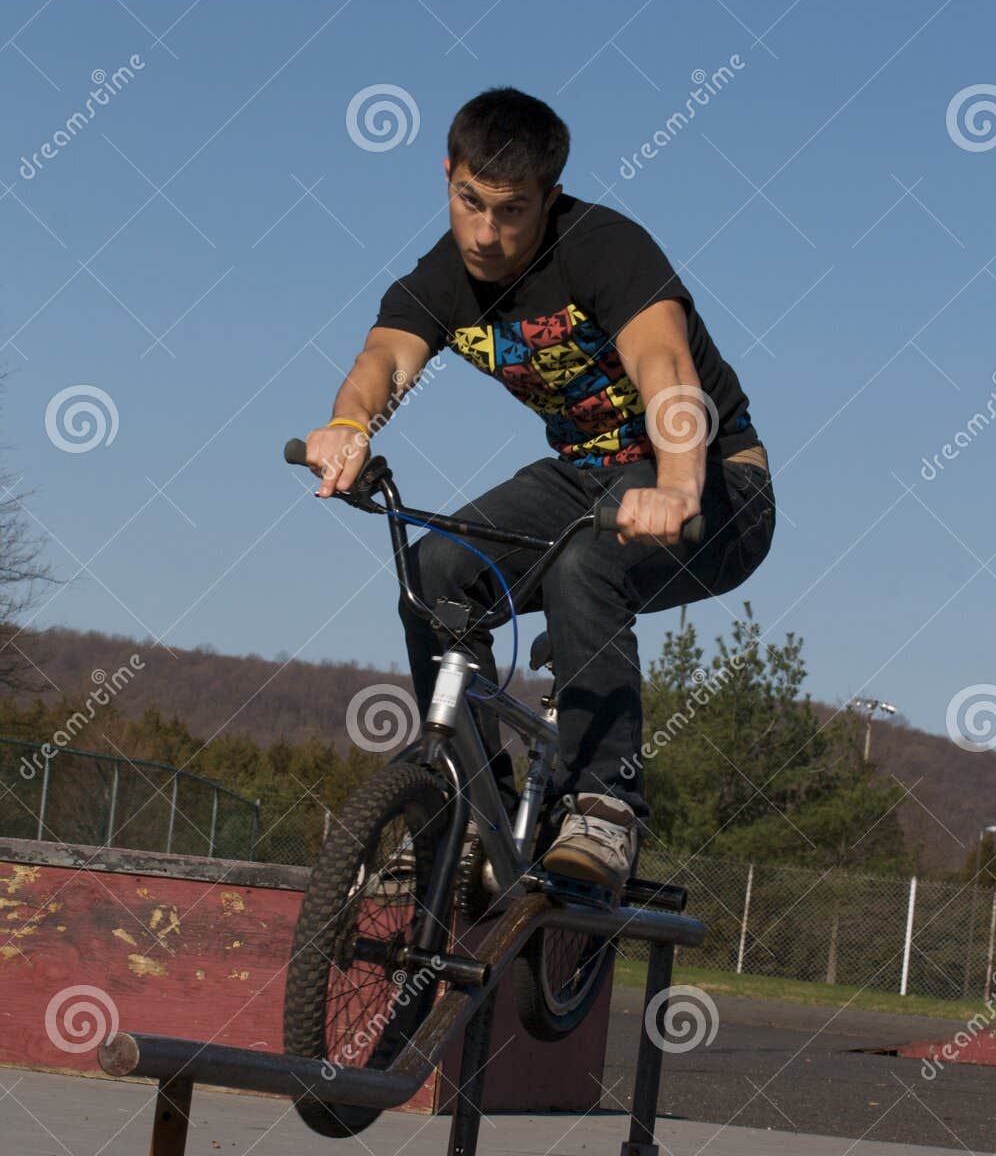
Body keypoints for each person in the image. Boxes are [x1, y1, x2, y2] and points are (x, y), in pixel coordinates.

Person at [304, 87, 775, 901]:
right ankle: (465, 809)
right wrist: (349, 425)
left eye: (512, 212)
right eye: (469, 203)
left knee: (584, 567)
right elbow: (385, 357)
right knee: (436, 573)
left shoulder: (604, 249)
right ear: (447, 175)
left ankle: (604, 803)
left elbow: (665, 367)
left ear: (548, 200)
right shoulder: (445, 278)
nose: (486, 233)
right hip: (581, 479)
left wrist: (674, 484)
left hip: (719, 484)